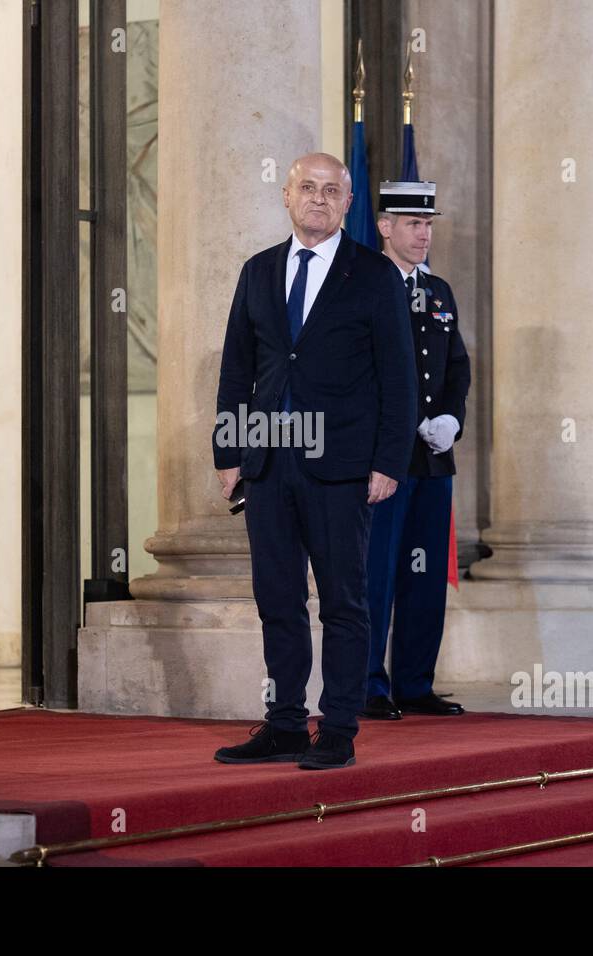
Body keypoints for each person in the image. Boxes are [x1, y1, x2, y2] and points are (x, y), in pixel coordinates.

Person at [211, 152, 415, 770]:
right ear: (287, 196)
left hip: (342, 464)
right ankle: (285, 724)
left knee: (343, 600)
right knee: (277, 598)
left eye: (332, 190)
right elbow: (237, 368)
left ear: (348, 204)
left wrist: (388, 461)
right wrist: (228, 449)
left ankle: (341, 727)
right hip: (269, 462)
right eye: (308, 188)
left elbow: (399, 379)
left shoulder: (374, 275)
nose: (319, 199)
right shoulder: (258, 271)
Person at [361, 182, 470, 720]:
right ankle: (367, 686)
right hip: (386, 459)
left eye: (428, 224)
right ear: (385, 227)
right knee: (375, 574)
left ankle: (414, 682)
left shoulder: (440, 291)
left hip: (432, 459)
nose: (423, 233)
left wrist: (451, 419)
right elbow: (360, 376)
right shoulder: (362, 285)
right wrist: (405, 425)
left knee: (424, 576)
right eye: (411, 223)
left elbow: (456, 368)